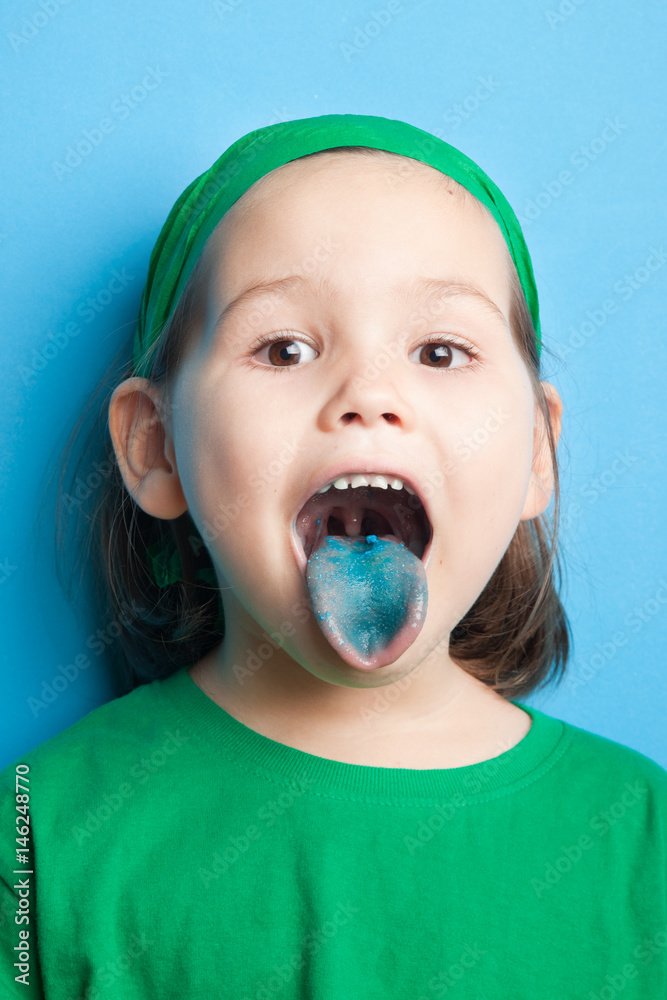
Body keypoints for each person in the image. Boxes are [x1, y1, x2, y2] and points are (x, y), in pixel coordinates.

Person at [1, 114, 665, 999]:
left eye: (439, 350)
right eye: (284, 348)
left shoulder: (642, 841)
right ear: (155, 446)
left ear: (536, 455)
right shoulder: (36, 830)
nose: (369, 395)